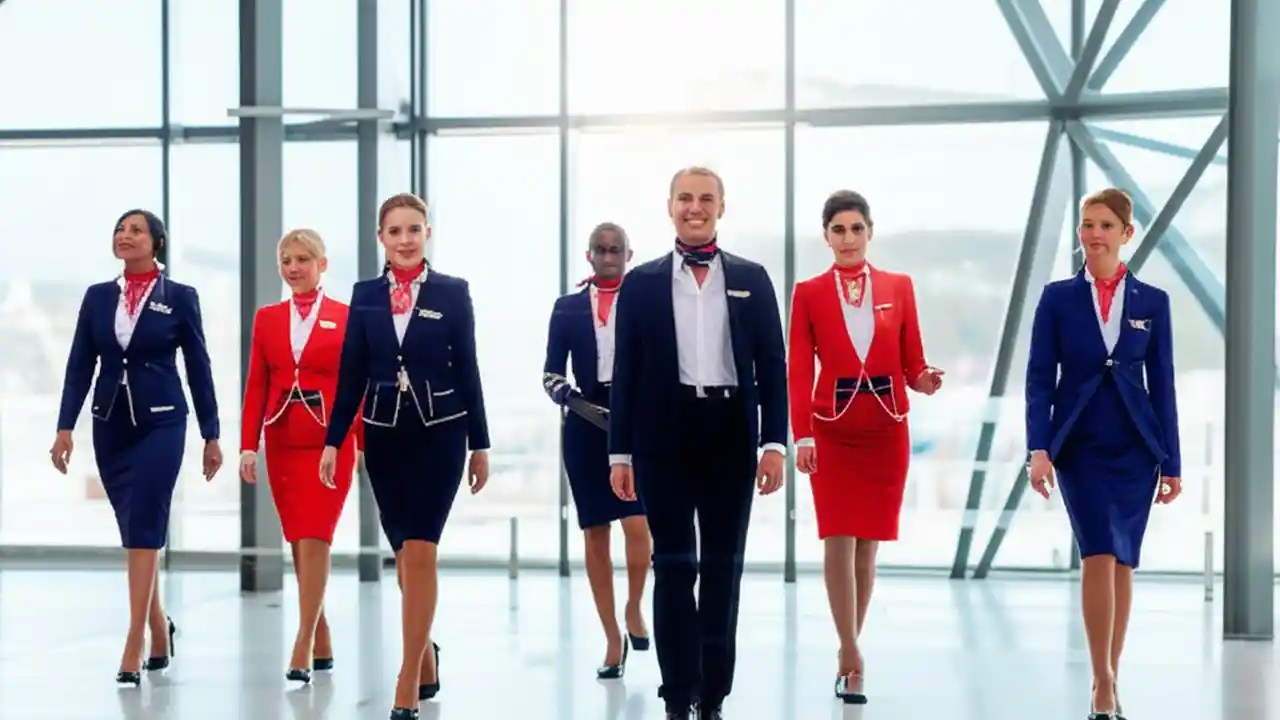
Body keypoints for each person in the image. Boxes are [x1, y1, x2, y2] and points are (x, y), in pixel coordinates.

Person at [608, 167, 786, 720]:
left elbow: (773, 369)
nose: (695, 207)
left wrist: (774, 442)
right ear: (669, 207)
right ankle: (677, 693)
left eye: (705, 198)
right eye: (685, 198)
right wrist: (620, 452)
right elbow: (626, 370)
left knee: (722, 568)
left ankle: (713, 696)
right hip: (664, 434)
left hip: (730, 431)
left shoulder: (753, 279)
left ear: (721, 207)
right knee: (675, 566)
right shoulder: (641, 282)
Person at [320, 192, 490, 720]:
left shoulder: (453, 292)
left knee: (421, 550)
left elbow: (468, 368)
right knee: (405, 556)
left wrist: (480, 444)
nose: (405, 239)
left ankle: (406, 677)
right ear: (381, 238)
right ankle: (427, 653)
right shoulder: (364, 295)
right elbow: (351, 373)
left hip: (442, 434)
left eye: (414, 229)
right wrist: (333, 440)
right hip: (384, 436)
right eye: (395, 231)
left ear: (427, 233)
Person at [1025, 187, 1181, 720]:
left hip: (1137, 446)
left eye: (1105, 226)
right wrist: (1038, 448)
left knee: (1123, 561)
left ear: (1126, 233)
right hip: (1080, 445)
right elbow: (1040, 378)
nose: (1094, 234)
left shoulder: (1153, 302)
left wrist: (1173, 462)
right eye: (1087, 224)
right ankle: (1103, 681)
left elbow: (1163, 384)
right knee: (1097, 550)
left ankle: (1108, 677)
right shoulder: (1057, 298)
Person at [49, 209, 223, 685]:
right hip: (110, 426)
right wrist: (65, 427)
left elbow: (200, 367)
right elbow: (79, 364)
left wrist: (212, 432)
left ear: (157, 242)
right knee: (134, 526)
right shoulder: (98, 297)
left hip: (163, 424)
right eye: (119, 230)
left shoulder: (180, 298)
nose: (125, 236)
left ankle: (134, 640)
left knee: (146, 519)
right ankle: (159, 625)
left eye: (136, 230)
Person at [787, 190, 943, 705]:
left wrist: (924, 379)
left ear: (869, 232)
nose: (848, 238)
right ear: (826, 236)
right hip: (831, 428)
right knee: (837, 536)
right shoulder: (808, 292)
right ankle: (849, 652)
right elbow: (797, 370)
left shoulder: (899, 286)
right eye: (838, 230)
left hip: (885, 427)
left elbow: (911, 360)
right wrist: (802, 434)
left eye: (856, 229)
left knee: (867, 543)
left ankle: (851, 643)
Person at [239, 229, 363, 683]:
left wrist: (363, 442)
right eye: (286, 260)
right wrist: (247, 445)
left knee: (316, 536)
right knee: (298, 540)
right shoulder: (267, 319)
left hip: (331, 442)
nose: (293, 268)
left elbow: (359, 384)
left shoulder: (347, 317)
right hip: (283, 441)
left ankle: (302, 642)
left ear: (322, 264)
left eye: (303, 259)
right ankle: (323, 634)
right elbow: (256, 384)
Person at [542, 221, 651, 679]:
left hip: (636, 422)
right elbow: (550, 374)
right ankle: (611, 637)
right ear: (589, 255)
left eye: (616, 249)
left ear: (629, 254)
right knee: (595, 532)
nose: (608, 256)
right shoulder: (567, 309)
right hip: (585, 426)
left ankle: (633, 606)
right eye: (600, 250)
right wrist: (571, 399)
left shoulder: (645, 302)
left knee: (639, 523)